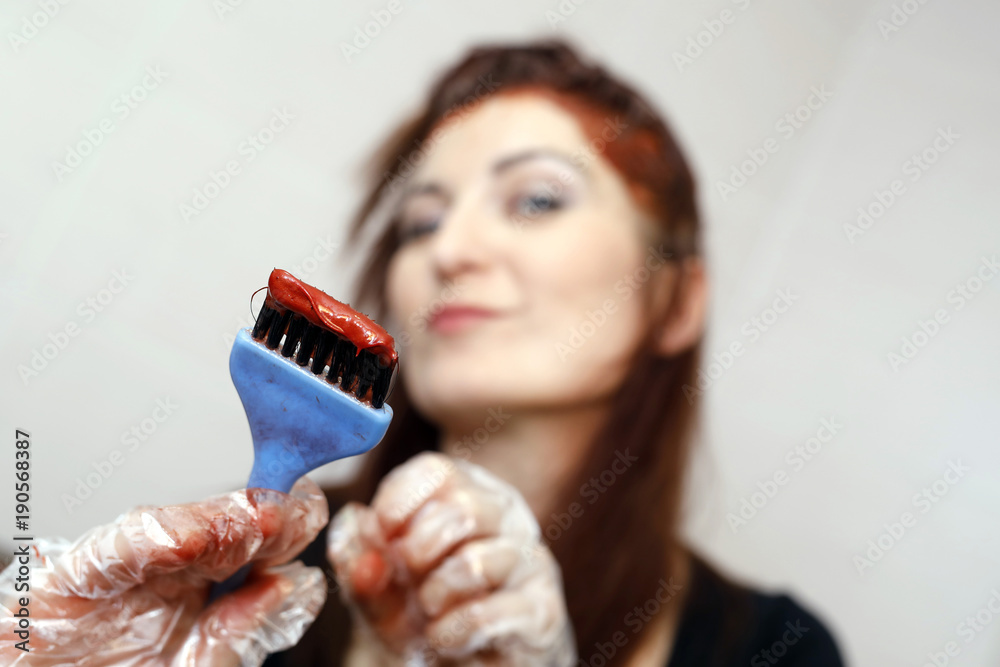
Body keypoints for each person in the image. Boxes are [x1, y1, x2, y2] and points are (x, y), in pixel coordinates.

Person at [0, 41, 845, 666]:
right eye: (421, 220)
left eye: (538, 198)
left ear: (676, 299)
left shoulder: (779, 649)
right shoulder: (233, 587)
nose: (451, 251)